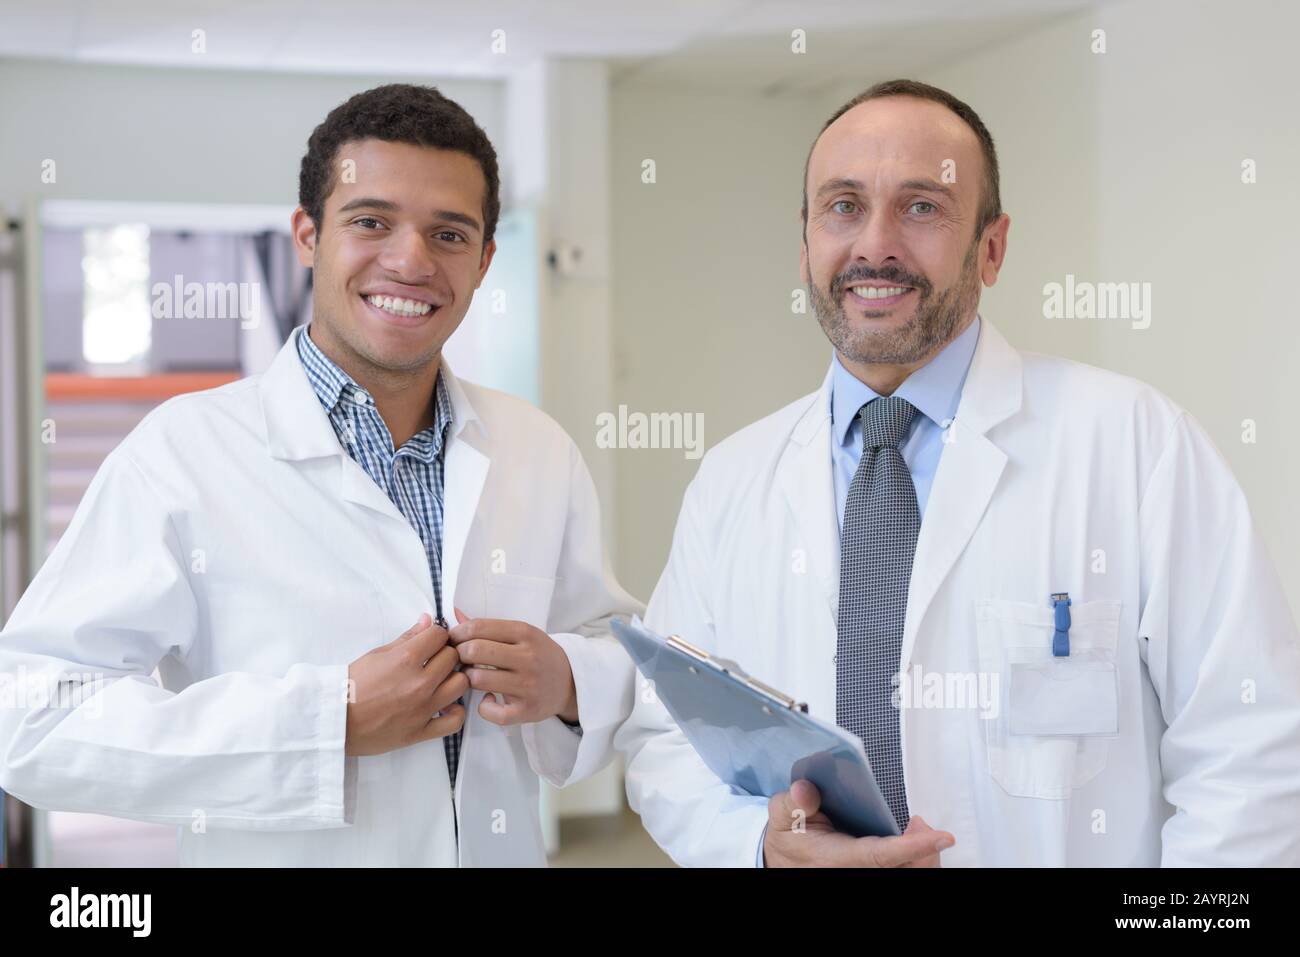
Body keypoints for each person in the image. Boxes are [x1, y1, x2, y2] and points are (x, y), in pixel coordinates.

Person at [616, 79, 1300, 867]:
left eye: (921, 207)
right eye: (843, 206)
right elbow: (664, 731)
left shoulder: (1137, 445)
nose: (875, 245)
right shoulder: (733, 480)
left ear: (992, 247)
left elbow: (1250, 747)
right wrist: (758, 848)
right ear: (803, 244)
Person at [0, 83, 641, 867]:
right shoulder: (180, 453)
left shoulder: (536, 449)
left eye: (448, 233)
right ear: (308, 235)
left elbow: (616, 646)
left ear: (484, 260)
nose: (410, 260)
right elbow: (33, 716)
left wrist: (568, 679)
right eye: (371, 221)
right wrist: (326, 719)